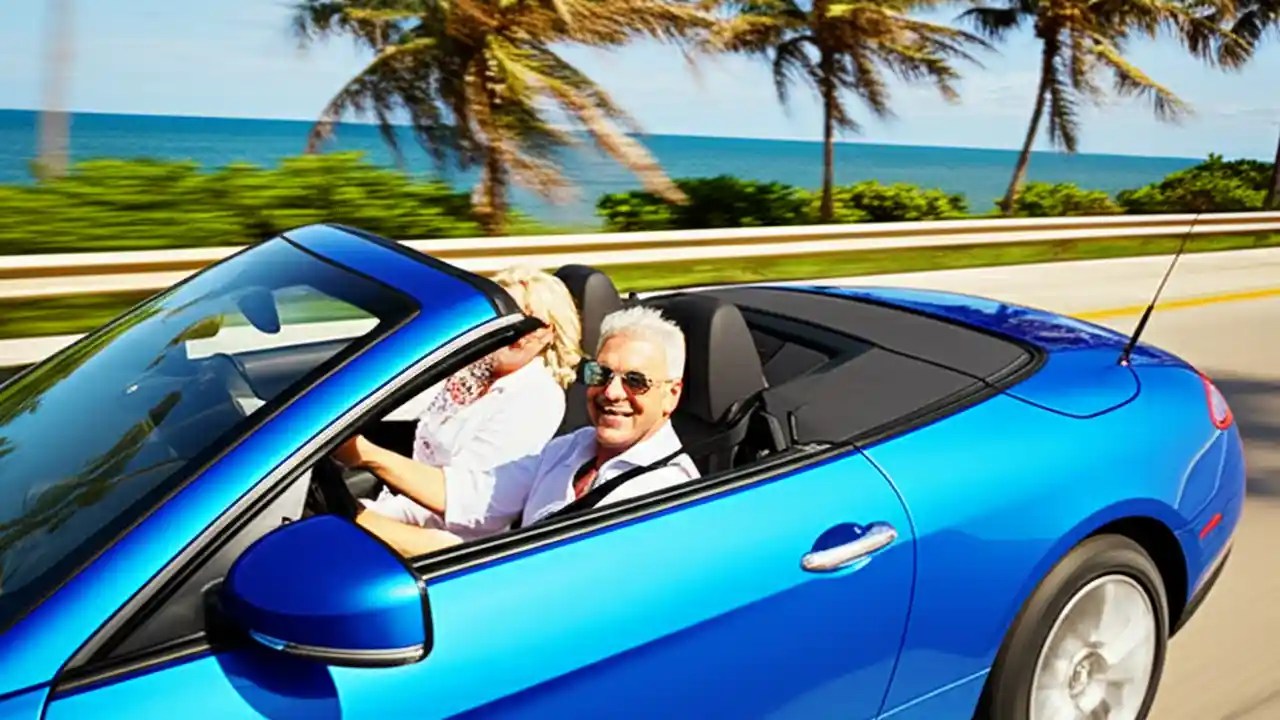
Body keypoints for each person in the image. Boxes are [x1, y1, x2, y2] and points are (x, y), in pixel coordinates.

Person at [337, 305, 700, 557]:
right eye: (600, 374)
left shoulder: (662, 494)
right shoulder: (571, 448)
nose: (612, 392)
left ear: (671, 394)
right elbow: (477, 497)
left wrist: (363, 523)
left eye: (636, 381)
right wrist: (365, 456)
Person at [357, 264, 583, 529]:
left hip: (449, 541)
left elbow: (469, 504)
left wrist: (365, 461)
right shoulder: (472, 370)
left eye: (531, 322)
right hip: (400, 507)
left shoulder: (536, 398)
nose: (515, 331)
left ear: (549, 334)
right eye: (505, 316)